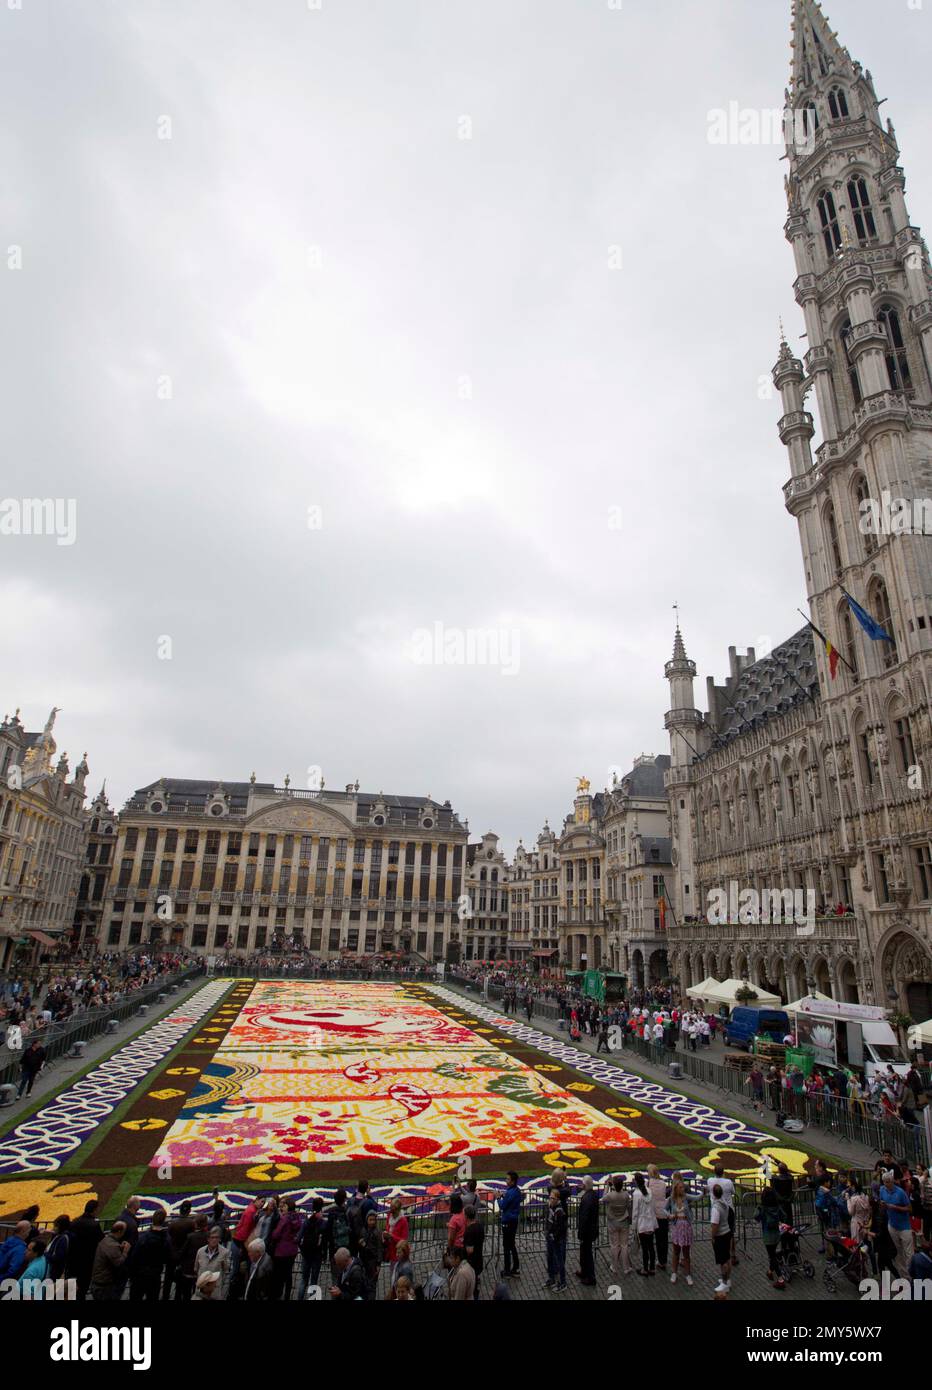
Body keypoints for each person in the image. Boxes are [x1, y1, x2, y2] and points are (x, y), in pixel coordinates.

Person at [877, 1169, 914, 1275]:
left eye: (888, 1181)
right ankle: (904, 1277)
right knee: (897, 1252)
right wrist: (882, 1205)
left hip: (904, 1226)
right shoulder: (882, 1190)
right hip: (892, 1225)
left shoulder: (900, 1192)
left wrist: (894, 1207)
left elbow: (909, 1209)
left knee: (908, 1253)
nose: (886, 1184)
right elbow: (881, 1201)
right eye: (884, 1182)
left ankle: (912, 1274)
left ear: (892, 1181)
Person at [129, 1208, 169, 1301]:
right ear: (163, 1221)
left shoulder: (143, 1238)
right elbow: (166, 1258)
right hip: (154, 1275)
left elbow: (134, 1257)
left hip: (140, 1276)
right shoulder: (165, 1240)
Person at [69, 1200, 103, 1301]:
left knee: (73, 1286)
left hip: (73, 1258)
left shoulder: (75, 1222)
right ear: (95, 1209)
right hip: (88, 1260)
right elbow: (101, 1239)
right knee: (83, 1287)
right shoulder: (94, 1224)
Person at [268, 1197, 301, 1299]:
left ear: (288, 1206)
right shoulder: (297, 1217)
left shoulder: (284, 1218)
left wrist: (272, 1233)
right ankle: (287, 1295)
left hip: (281, 1251)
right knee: (288, 1274)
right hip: (292, 1250)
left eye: (285, 1205)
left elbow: (276, 1234)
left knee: (279, 1276)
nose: (282, 1207)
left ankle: (278, 1295)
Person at [89, 1220, 131, 1301]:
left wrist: (119, 1247)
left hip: (99, 1283)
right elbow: (119, 1263)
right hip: (104, 1287)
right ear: (119, 1231)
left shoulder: (106, 1240)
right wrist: (125, 1252)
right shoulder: (112, 1245)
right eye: (124, 1231)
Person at [163, 1200, 195, 1300]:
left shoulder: (173, 1223)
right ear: (189, 1210)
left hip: (172, 1254)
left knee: (168, 1278)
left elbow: (168, 1238)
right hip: (184, 1255)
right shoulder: (191, 1223)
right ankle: (178, 1295)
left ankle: (165, 1296)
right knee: (182, 1278)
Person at [602, 1174, 633, 1279]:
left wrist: (606, 1186)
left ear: (614, 1186)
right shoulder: (626, 1195)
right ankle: (626, 1267)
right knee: (624, 1245)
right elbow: (629, 1207)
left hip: (613, 1223)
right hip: (624, 1222)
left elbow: (603, 1198)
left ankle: (614, 1267)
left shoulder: (610, 1195)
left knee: (614, 1245)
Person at [665, 1178, 694, 1286]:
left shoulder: (686, 1197)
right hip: (677, 1227)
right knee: (676, 1252)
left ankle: (688, 1274)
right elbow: (664, 1209)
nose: (683, 1189)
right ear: (676, 1189)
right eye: (681, 1187)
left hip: (686, 1227)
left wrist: (704, 1192)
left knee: (686, 1253)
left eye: (683, 1187)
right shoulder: (671, 1199)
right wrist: (669, 1215)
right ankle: (674, 1273)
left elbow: (697, 1197)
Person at [757, 1185, 785, 1290]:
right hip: (777, 1235)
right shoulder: (777, 1207)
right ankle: (769, 1271)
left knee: (772, 1256)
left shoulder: (762, 1208)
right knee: (772, 1254)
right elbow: (784, 1216)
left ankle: (781, 1279)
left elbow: (756, 1217)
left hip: (767, 1236)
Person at [297, 1197, 326, 1299]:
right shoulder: (322, 1222)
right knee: (314, 1282)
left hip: (306, 1255)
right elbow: (325, 1240)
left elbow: (298, 1238)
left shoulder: (307, 1221)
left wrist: (303, 1250)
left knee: (303, 1280)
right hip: (317, 1255)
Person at [193, 1226, 231, 1299]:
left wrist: (223, 1292)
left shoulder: (225, 1252)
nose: (214, 1240)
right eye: (212, 1237)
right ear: (208, 1239)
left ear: (219, 1239)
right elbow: (196, 1268)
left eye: (216, 1237)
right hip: (201, 1290)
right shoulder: (200, 1251)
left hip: (215, 1291)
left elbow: (226, 1271)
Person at [631, 1172, 658, 1277]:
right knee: (651, 1246)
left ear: (636, 1182)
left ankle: (645, 1269)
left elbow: (635, 1212)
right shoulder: (649, 1191)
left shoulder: (636, 1194)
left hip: (642, 1224)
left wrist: (634, 1227)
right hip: (651, 1223)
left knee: (645, 1248)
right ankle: (652, 1268)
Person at [710, 1184, 733, 1295]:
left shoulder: (715, 1208)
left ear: (713, 1194)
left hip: (720, 1235)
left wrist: (712, 1236)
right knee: (727, 1258)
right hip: (727, 1232)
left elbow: (715, 1224)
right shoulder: (725, 1204)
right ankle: (727, 1280)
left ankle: (724, 1283)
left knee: (723, 1261)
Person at [576, 1175, 599, 1286]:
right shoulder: (593, 1195)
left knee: (587, 1254)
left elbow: (584, 1218)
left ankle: (591, 1277)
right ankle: (584, 1271)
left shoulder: (586, 1198)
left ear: (585, 1185)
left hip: (587, 1231)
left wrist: (581, 1233)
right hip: (591, 1229)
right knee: (584, 1252)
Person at [500, 1172, 523, 1279]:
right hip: (513, 1221)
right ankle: (515, 1268)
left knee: (506, 1246)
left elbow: (503, 1206)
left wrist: (498, 1198)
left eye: (508, 1179)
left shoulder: (510, 1192)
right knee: (512, 1245)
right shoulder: (517, 1190)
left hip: (507, 1221)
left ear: (512, 1181)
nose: (506, 1180)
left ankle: (507, 1270)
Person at [544, 1187, 567, 1292]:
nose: (551, 1200)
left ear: (558, 1199)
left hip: (556, 1240)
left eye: (553, 1198)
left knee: (559, 1260)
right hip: (550, 1238)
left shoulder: (559, 1211)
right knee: (549, 1258)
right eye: (550, 1198)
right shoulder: (550, 1207)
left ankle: (563, 1283)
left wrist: (554, 1236)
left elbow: (561, 1228)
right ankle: (551, 1278)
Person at [647, 1164, 669, 1270]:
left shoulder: (648, 1183)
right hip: (663, 1214)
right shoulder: (663, 1183)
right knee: (663, 1240)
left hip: (652, 1215)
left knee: (650, 1240)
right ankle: (663, 1261)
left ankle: (651, 1262)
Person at [357, 1210, 382, 1300]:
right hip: (364, 1261)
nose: (372, 1222)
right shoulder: (363, 1230)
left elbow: (379, 1249)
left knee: (371, 1286)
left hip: (373, 1262)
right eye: (370, 1220)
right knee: (364, 1284)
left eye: (374, 1220)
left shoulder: (377, 1232)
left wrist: (378, 1264)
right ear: (366, 1220)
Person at [464, 1205, 484, 1299]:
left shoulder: (469, 1230)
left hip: (472, 1263)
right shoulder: (480, 1226)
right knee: (475, 1286)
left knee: (472, 1288)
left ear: (466, 1216)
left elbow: (469, 1250)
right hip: (479, 1258)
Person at [384, 1196, 409, 1266]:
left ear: (397, 1210)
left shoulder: (403, 1221)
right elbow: (387, 1227)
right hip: (390, 1251)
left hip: (398, 1254)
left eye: (392, 1209)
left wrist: (391, 1236)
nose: (390, 1210)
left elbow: (404, 1240)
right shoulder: (389, 1215)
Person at [46, 1215, 71, 1283]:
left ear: (61, 1227)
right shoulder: (58, 1236)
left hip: (53, 1273)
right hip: (52, 1272)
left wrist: (45, 1255)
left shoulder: (63, 1239)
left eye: (56, 1226)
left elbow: (58, 1258)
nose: (54, 1228)